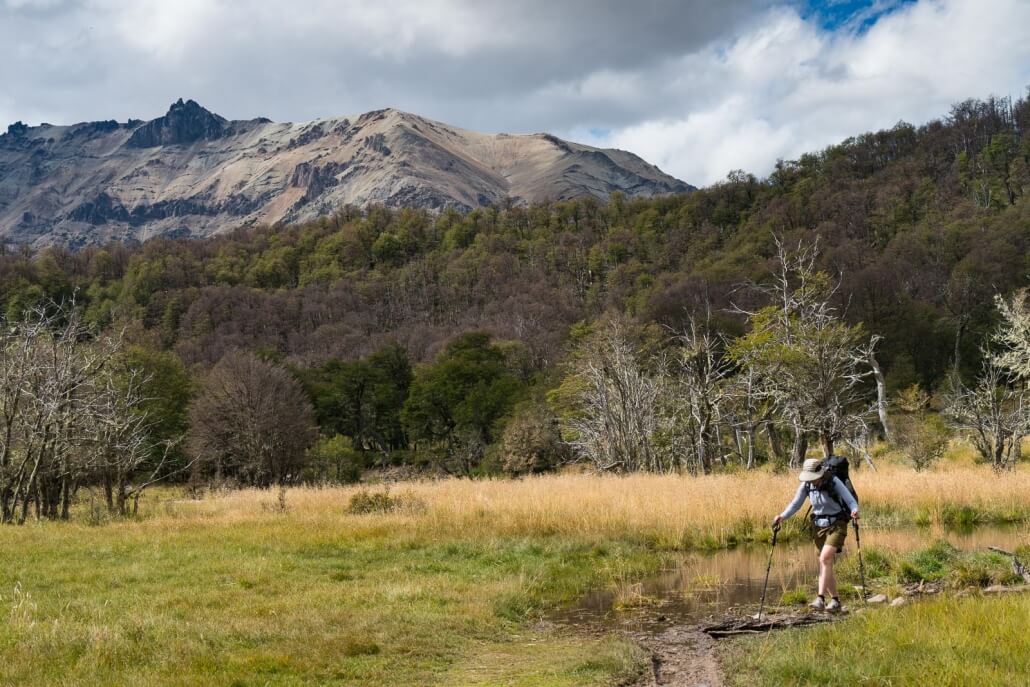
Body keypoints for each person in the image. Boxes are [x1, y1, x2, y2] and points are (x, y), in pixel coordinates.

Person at [772, 457, 859, 612]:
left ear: (820, 473)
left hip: (837, 524)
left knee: (825, 558)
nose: (811, 481)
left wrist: (854, 510)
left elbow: (851, 501)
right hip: (818, 526)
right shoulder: (806, 485)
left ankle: (820, 598)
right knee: (825, 563)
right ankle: (836, 601)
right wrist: (782, 516)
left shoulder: (833, 481)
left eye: (813, 478)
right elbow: (795, 504)